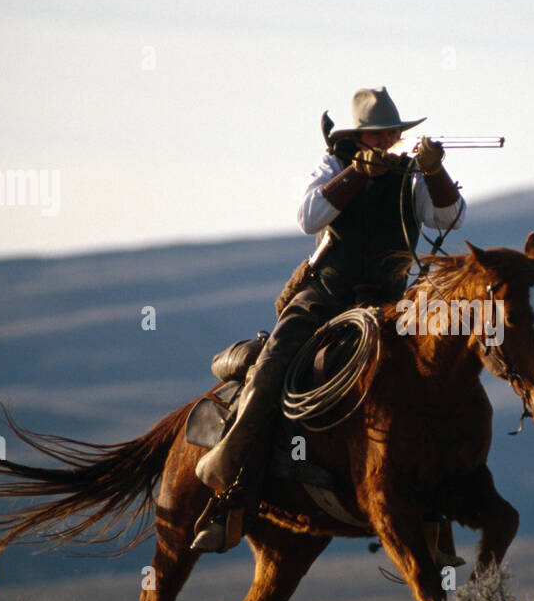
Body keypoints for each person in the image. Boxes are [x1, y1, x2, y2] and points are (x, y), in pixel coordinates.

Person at [191, 86, 467, 552]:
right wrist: (357, 175)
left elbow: (450, 217)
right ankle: (231, 477)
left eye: (393, 134)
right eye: (380, 135)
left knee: (440, 371)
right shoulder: (331, 167)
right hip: (326, 297)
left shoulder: (412, 174)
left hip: (389, 304)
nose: (389, 142)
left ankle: (434, 513)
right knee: (275, 359)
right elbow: (309, 216)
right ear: (359, 138)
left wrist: (436, 171)